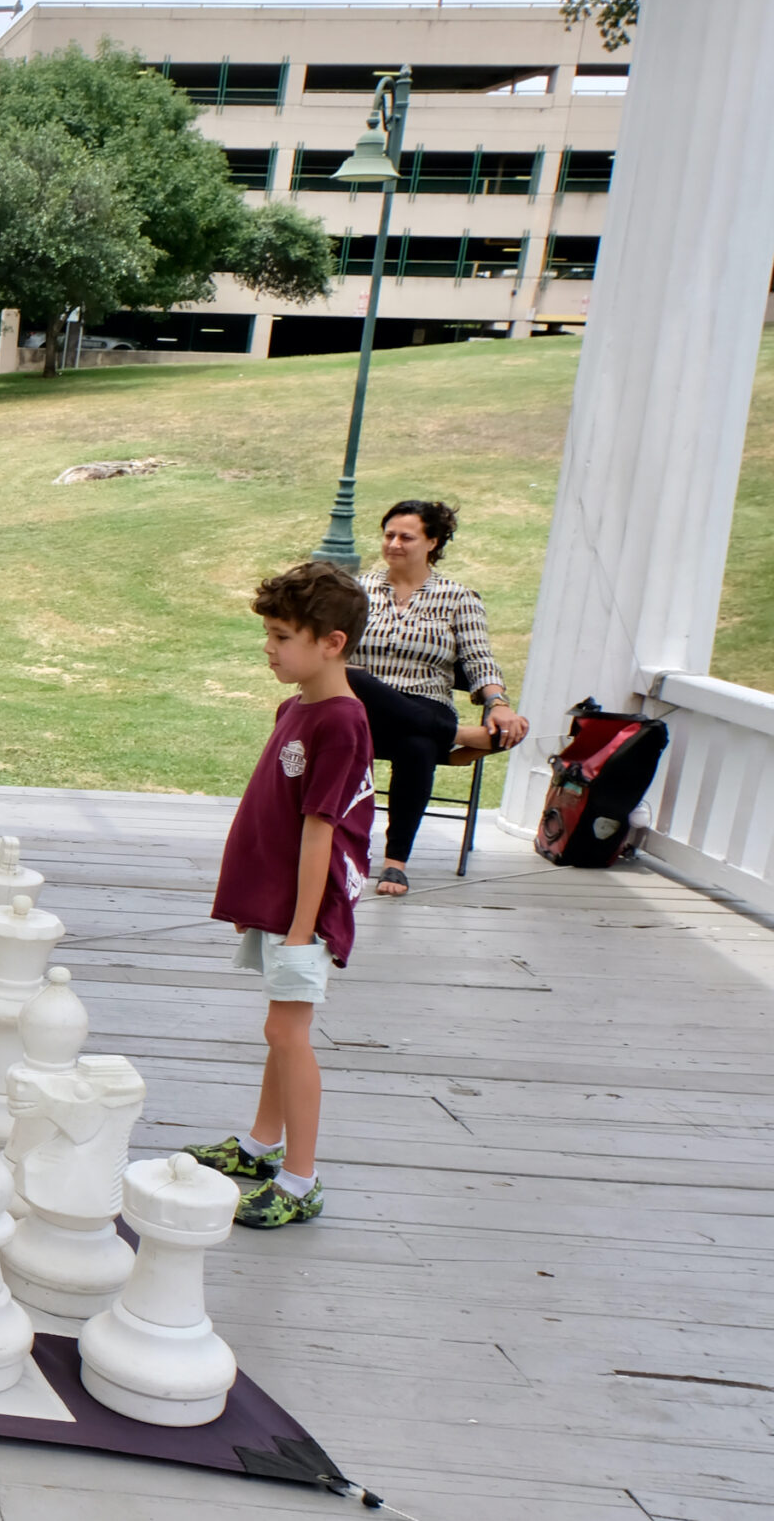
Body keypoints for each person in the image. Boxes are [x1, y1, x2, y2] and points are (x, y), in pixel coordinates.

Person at [182, 561, 374, 1230]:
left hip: (309, 908)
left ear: (332, 642)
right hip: (280, 903)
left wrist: (298, 928)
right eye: (267, 632)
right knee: (279, 1025)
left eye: (283, 635)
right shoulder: (294, 708)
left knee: (287, 1032)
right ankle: (262, 1147)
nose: (269, 647)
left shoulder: (341, 724)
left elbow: (321, 831)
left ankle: (301, 1179)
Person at [348, 499, 528, 897]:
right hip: (361, 705)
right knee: (354, 678)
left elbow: (479, 659)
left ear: (432, 541)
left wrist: (498, 703)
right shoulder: (357, 591)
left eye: (406, 537)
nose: (394, 544)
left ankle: (395, 862)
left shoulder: (458, 598)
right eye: (389, 535)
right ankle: (456, 737)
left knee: (416, 744)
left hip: (425, 700)